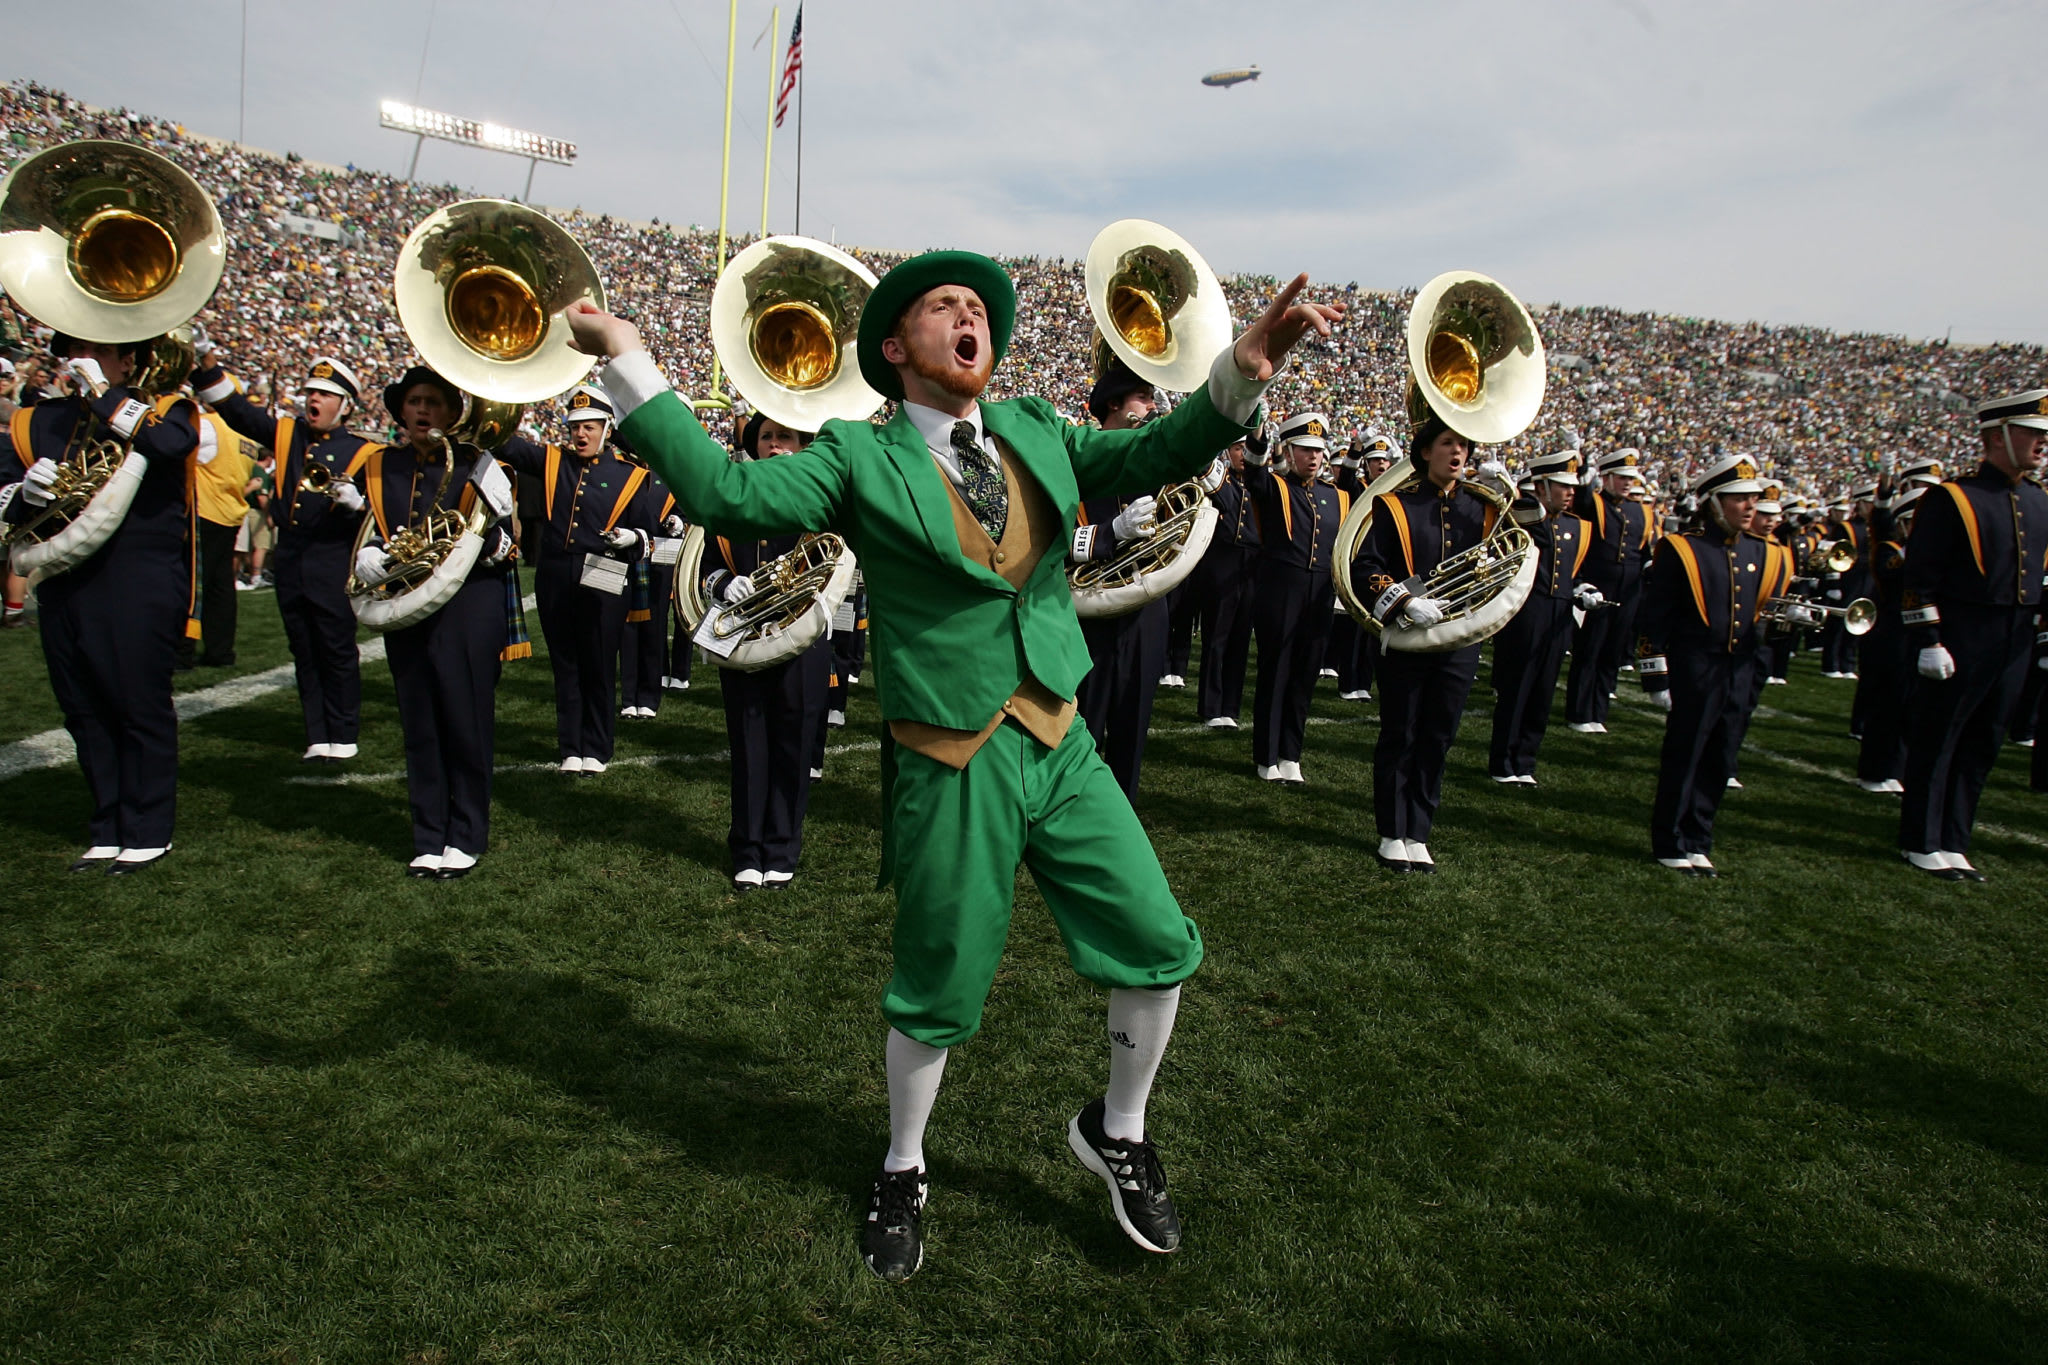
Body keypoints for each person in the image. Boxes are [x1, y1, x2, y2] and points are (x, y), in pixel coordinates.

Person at [565, 255, 1338, 1282]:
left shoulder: (1033, 427)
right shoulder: (854, 453)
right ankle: (901, 1164)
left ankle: (1117, 1129)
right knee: (938, 986)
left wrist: (1243, 368)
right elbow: (723, 489)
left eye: (978, 308)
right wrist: (626, 361)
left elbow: (1159, 446)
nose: (969, 315)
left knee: (1158, 942)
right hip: (950, 754)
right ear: (895, 349)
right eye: (944, 306)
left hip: (1060, 738)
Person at [0, 333, 199, 873]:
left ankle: (149, 827)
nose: (79, 358)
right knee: (82, 708)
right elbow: (3, 481)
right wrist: (22, 494)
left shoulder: (165, 408)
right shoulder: (34, 418)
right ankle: (108, 824)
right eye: (73, 348)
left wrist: (104, 394)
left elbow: (169, 446)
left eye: (97, 349)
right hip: (64, 576)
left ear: (126, 358)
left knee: (137, 702)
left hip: (137, 576)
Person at [351, 366, 519, 878]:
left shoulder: (479, 462)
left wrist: (485, 540)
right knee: (419, 719)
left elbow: (509, 543)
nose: (423, 410)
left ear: (452, 412)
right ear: (401, 411)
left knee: (465, 718)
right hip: (406, 600)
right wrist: (370, 555)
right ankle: (429, 833)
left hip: (469, 603)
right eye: (415, 402)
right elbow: (371, 526)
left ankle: (465, 833)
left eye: (434, 402)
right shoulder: (379, 466)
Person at [192, 352, 377, 762]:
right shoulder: (287, 433)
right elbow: (236, 411)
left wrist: (357, 503)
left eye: (326, 394)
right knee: (303, 648)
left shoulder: (363, 452)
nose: (314, 399)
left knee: (336, 647)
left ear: (345, 405)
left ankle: (343, 732)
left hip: (331, 559)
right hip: (291, 557)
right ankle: (316, 733)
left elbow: (380, 511)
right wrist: (205, 369)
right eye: (311, 391)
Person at [1895, 389, 2048, 882]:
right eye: (2034, 433)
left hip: (2016, 635)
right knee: (1939, 737)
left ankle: (1955, 840)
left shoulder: (2039, 499)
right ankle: (1921, 840)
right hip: (1962, 632)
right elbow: (1919, 577)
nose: (2043, 444)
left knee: (1985, 740)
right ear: (1998, 436)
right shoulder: (1952, 497)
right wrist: (1929, 638)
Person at [1354, 413, 1503, 871]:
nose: (1458, 453)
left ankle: (1418, 830)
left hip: (1459, 641)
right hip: (1408, 637)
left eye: (1463, 446)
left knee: (1439, 735)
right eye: (1447, 443)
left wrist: (1517, 502)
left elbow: (1513, 557)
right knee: (1401, 732)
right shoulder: (1395, 505)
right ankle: (1390, 830)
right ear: (1425, 452)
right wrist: (1401, 601)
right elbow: (1366, 568)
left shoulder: (1482, 510)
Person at [697, 410, 834, 889]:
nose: (776, 445)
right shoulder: (732, 500)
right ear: (754, 445)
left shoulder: (825, 500)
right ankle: (747, 848)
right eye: (768, 437)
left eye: (787, 437)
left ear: (803, 444)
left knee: (794, 744)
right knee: (749, 741)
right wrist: (723, 583)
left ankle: (781, 847)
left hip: (804, 638)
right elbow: (704, 566)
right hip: (745, 638)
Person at [1636, 455, 1788, 877]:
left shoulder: (1764, 552)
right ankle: (1669, 839)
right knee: (1685, 754)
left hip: (1739, 670)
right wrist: (1656, 673)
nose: (1751, 506)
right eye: (1740, 499)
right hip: (1694, 666)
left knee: (1722, 755)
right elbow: (1656, 617)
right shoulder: (1682, 549)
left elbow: (1760, 619)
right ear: (1715, 503)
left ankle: (1699, 836)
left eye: (1753, 498)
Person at [496, 385, 656, 774]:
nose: (581, 434)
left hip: (605, 576)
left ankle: (597, 747)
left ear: (606, 428)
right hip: (554, 576)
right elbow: (505, 445)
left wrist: (629, 538)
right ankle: (571, 746)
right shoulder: (554, 462)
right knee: (565, 664)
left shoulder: (631, 476)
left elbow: (647, 536)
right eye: (575, 426)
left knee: (599, 665)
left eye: (589, 426)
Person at [1071, 358, 1173, 801]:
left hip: (1147, 610)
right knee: (1084, 722)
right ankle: (1075, 809)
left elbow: (1214, 497)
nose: (1153, 406)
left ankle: (1122, 812)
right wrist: (1109, 534)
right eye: (1144, 397)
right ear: (1115, 404)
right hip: (1088, 608)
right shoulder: (1074, 459)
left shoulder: (1155, 462)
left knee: (1133, 726)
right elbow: (1048, 537)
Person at [1244, 411, 1350, 784]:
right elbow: (1254, 475)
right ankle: (1266, 755)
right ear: (1288, 451)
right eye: (1305, 450)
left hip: (1319, 594)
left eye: (1319, 451)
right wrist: (1258, 436)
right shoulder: (1276, 486)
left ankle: (1291, 753)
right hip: (1280, 589)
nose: (1314, 458)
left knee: (1305, 675)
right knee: (1276, 672)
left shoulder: (1334, 496)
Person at [1487, 449, 1597, 785]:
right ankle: (1503, 762)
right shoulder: (1524, 515)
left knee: (1543, 691)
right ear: (1543, 486)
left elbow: (1573, 571)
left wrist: (1584, 589)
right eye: (1562, 486)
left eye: (1572, 487)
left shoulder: (1577, 526)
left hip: (1560, 613)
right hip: (1527, 611)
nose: (1570, 493)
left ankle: (1525, 760)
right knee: (1517, 690)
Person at [1565, 448, 1651, 734]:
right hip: (1599, 587)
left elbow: (1643, 550)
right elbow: (1581, 498)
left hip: (1629, 590)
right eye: (1621, 477)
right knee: (1590, 649)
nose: (1627, 483)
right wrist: (1583, 463)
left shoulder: (1640, 511)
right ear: (1607, 477)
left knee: (1613, 651)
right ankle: (1579, 712)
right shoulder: (1595, 504)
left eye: (1630, 478)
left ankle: (1598, 711)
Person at [1855, 484, 1925, 793]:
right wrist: (1883, 502)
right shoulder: (1891, 552)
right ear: (1905, 524)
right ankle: (1874, 772)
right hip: (1890, 638)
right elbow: (1883, 536)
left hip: (1917, 638)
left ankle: (1896, 770)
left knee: (1911, 708)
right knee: (1886, 707)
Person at [1191, 436, 1259, 728]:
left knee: (1241, 637)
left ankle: (1230, 706)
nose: (1242, 454)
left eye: (1248, 449)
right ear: (1227, 452)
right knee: (1216, 636)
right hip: (1221, 561)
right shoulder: (1220, 480)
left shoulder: (1263, 483)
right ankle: (1210, 707)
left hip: (1252, 565)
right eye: (1236, 448)